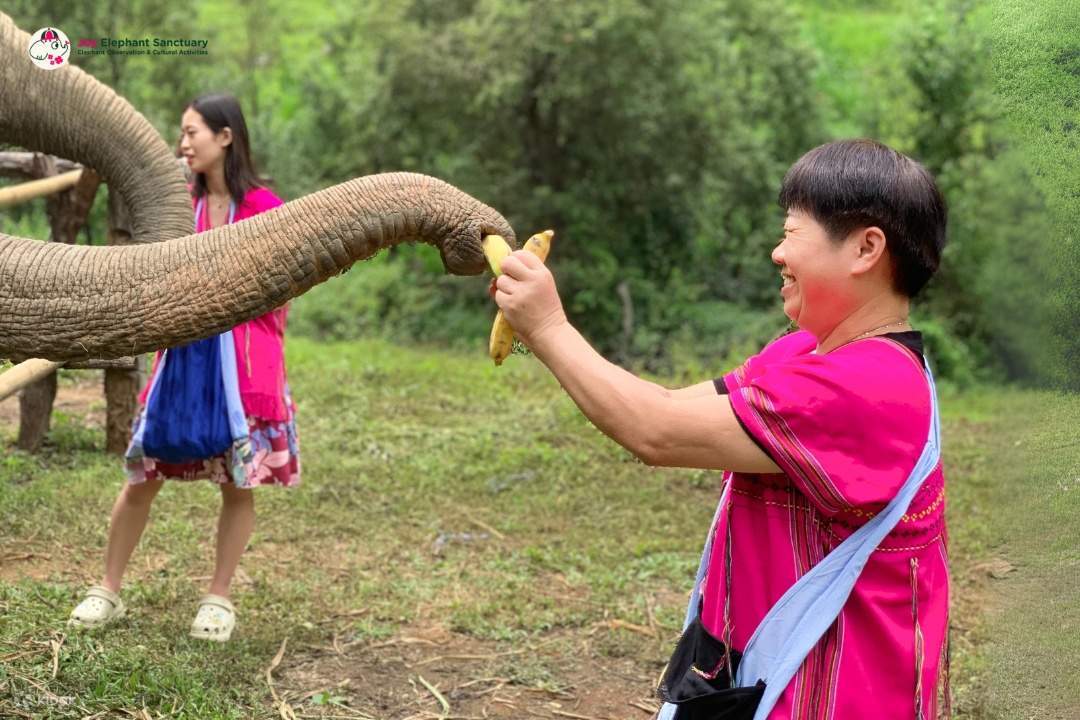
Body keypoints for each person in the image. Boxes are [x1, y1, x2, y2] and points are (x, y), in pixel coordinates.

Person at [494, 139, 949, 719]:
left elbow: (653, 431)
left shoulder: (868, 384)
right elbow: (661, 408)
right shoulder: (805, 354)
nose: (777, 252)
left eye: (791, 232)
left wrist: (550, 325)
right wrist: (544, 334)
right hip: (765, 679)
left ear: (865, 248)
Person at [69, 93, 299, 642]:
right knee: (142, 473)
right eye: (181, 133)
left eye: (193, 131)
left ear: (226, 137)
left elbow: (280, 289)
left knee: (238, 483)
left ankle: (218, 598)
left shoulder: (268, 208)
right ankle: (107, 589)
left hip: (243, 367)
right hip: (178, 362)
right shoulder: (175, 205)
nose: (183, 142)